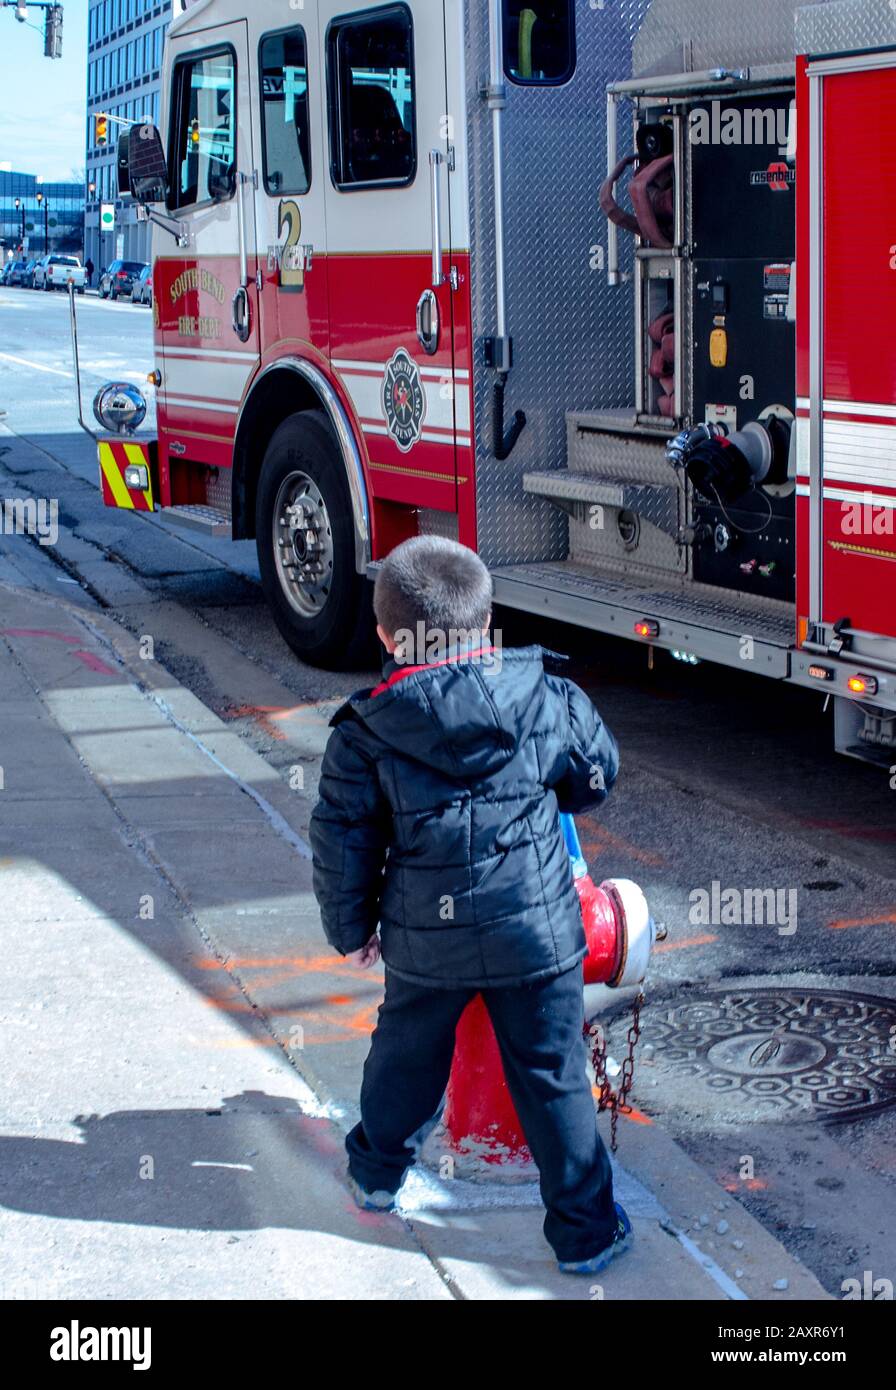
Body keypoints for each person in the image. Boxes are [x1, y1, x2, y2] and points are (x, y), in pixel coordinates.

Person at [310, 536, 631, 1274]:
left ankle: (375, 1174)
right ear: (487, 626)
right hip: (540, 932)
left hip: (427, 940)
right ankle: (585, 1235)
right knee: (552, 1074)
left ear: (389, 637)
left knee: (404, 1059)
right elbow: (595, 776)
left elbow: (342, 840)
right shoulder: (546, 695)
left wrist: (351, 929)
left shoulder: (366, 732)